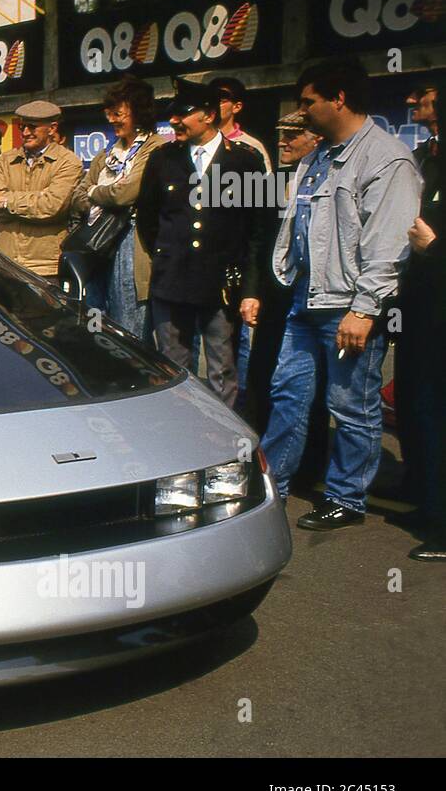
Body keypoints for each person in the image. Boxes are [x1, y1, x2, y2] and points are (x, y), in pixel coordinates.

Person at [258, 59, 421, 531]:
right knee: (287, 394)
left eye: (308, 101)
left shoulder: (386, 159)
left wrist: (365, 309)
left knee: (351, 405)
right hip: (305, 299)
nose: (302, 111)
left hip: (349, 307)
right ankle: (274, 486)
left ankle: (347, 498)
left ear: (339, 99)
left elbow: (389, 242)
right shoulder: (316, 159)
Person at [134, 78, 265, 408]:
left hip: (220, 284)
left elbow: (258, 231)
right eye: (173, 114)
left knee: (222, 369)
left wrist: (250, 289)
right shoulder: (162, 159)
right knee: (174, 367)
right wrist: (167, 256)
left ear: (208, 115)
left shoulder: (246, 160)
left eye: (183, 114)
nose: (174, 121)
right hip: (171, 281)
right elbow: (148, 220)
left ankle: (225, 441)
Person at [241, 110, 320, 434]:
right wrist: (251, 291)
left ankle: (307, 469)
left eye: (292, 134)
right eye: (280, 133)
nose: (282, 141)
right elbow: (257, 241)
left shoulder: (327, 181)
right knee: (262, 373)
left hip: (314, 296)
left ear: (315, 138)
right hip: (274, 296)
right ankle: (263, 454)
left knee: (308, 386)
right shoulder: (273, 184)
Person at [70, 75, 165, 340]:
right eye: (109, 113)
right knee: (95, 314)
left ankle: (133, 377)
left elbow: (126, 193)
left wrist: (93, 192)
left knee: (128, 324)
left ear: (139, 112)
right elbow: (77, 194)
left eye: (118, 114)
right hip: (97, 242)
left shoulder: (155, 147)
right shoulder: (108, 152)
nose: (111, 120)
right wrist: (98, 194)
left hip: (130, 242)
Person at [393, 79, 442, 548]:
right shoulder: (428, 154)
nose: (415, 105)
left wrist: (437, 247)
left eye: (425, 98)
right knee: (416, 405)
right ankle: (425, 493)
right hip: (420, 308)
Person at [0, 100, 84, 277]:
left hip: (44, 266)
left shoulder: (68, 162)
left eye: (32, 127)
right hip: (4, 262)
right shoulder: (4, 161)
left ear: (52, 129)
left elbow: (52, 207)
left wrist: (7, 201)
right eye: (22, 127)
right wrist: (35, 200)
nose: (25, 132)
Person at [209, 76, 273, 171]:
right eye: (211, 100)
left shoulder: (251, 145)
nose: (214, 105)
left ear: (237, 107)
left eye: (221, 101)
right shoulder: (195, 139)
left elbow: (266, 183)